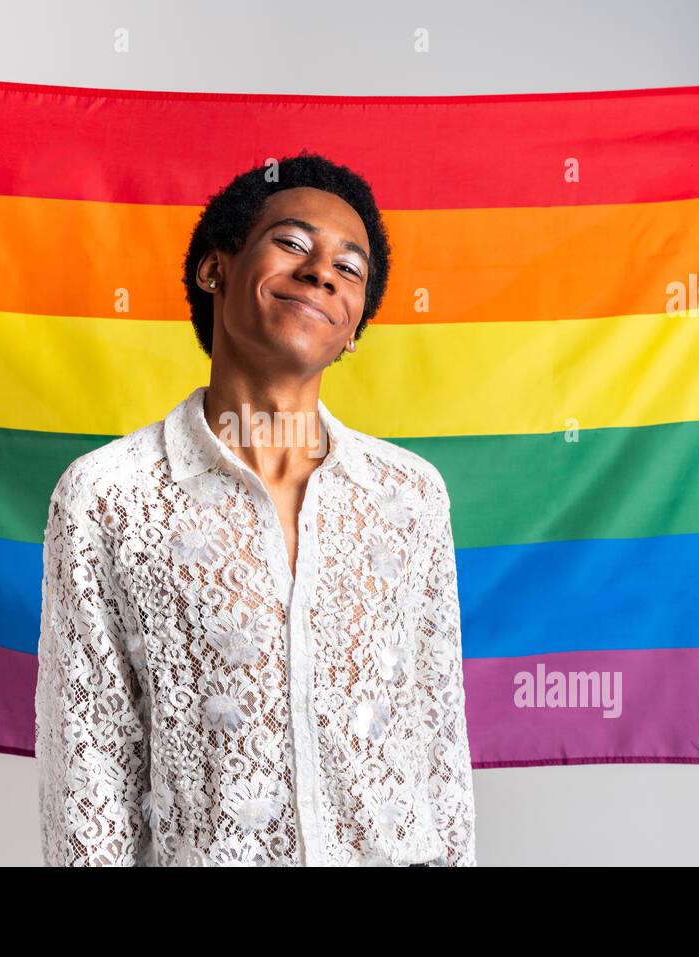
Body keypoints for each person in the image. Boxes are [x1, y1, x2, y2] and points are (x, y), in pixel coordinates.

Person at [36, 150, 477, 866]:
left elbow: (438, 748)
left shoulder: (410, 496)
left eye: (350, 268)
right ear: (215, 269)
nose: (322, 271)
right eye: (293, 243)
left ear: (355, 326)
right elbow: (90, 767)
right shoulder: (108, 497)